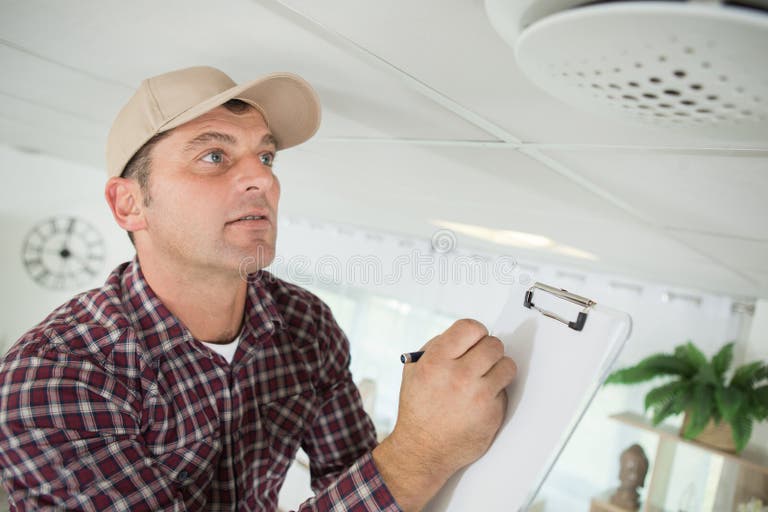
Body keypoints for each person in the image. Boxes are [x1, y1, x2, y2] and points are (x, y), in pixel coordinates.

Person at [0, 66, 517, 511]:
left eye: (265, 157)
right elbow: (392, 476)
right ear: (129, 205)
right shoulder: (53, 377)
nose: (264, 181)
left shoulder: (306, 323)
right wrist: (417, 453)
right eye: (214, 157)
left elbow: (349, 474)